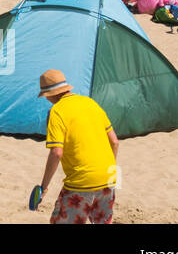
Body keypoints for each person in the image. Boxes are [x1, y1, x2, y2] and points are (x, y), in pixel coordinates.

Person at [36, 69, 119, 224]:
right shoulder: (90, 103)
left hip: (81, 182)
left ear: (50, 94)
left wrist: (43, 188)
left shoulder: (57, 111)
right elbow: (114, 142)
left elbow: (56, 153)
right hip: (109, 179)